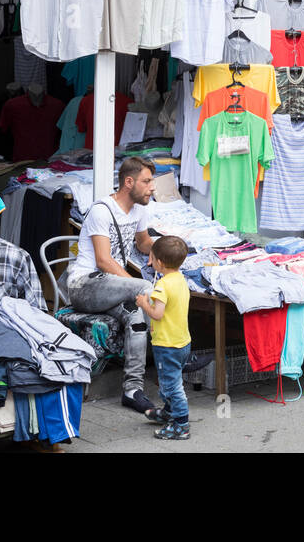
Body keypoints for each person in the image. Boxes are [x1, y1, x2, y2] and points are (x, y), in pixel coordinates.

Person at [58, 156, 158, 415]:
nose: (152, 187)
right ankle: (178, 352)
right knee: (145, 290)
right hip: (85, 286)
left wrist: (164, 248)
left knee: (136, 314)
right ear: (128, 182)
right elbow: (103, 261)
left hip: (113, 288)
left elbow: (142, 242)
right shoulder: (101, 210)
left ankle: (132, 390)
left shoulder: (139, 209)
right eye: (146, 181)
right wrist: (137, 285)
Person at [135, 235, 192, 441]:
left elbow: (157, 314)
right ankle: (169, 413)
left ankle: (181, 425)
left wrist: (143, 303)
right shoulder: (181, 280)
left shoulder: (162, 286)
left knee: (171, 386)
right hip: (182, 341)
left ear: (159, 262)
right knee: (172, 380)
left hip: (166, 345)